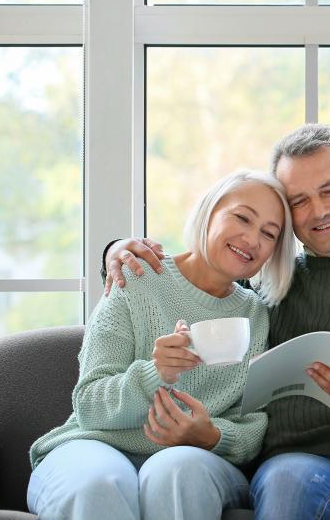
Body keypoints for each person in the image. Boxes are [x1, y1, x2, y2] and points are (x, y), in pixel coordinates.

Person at [104, 124, 330, 519]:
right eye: (299, 201)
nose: (318, 211)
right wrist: (119, 252)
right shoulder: (266, 279)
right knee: (286, 485)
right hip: (299, 457)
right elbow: (197, 276)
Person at [29, 170, 298, 520]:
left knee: (176, 470)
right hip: (95, 445)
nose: (251, 238)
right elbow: (89, 404)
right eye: (242, 217)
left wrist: (213, 436)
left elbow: (253, 427)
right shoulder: (138, 278)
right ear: (209, 212)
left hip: (193, 460)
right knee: (98, 484)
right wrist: (154, 374)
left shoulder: (258, 316)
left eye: (269, 233)